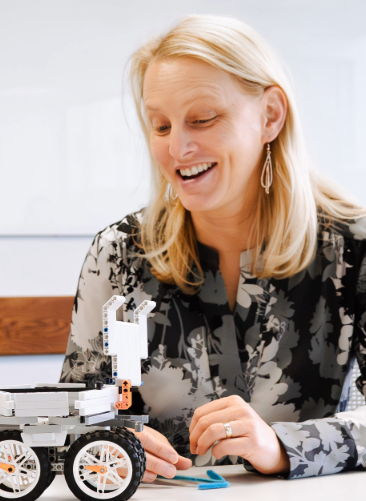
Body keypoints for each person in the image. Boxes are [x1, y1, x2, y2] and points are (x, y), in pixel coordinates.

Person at [60, 14, 366, 483]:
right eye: (160, 126)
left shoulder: (354, 247)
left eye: (203, 119)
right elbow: (74, 417)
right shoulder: (117, 252)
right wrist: (109, 442)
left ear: (270, 116)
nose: (178, 147)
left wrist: (283, 445)